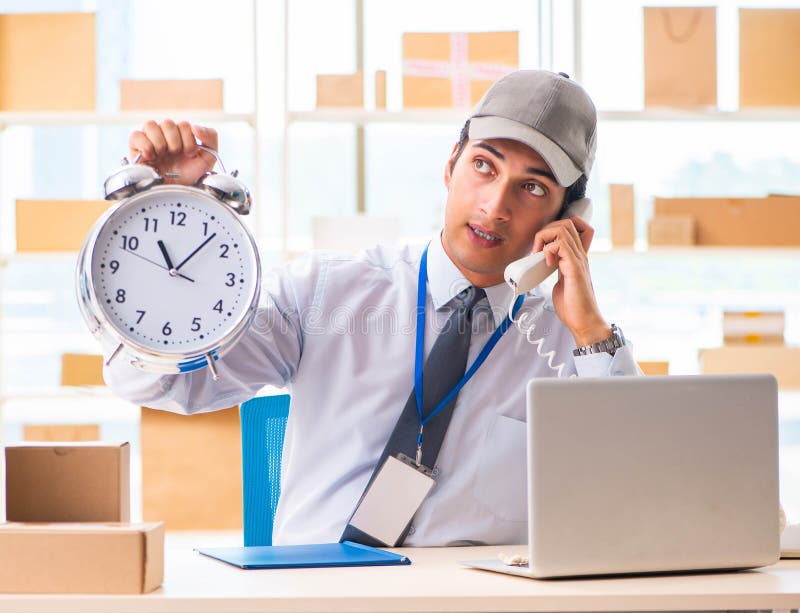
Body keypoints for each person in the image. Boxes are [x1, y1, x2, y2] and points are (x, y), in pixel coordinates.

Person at [106, 69, 641, 547]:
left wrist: (589, 327)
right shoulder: (325, 292)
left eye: (531, 187)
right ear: (451, 165)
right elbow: (157, 385)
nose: (494, 205)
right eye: (483, 165)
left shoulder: (567, 346)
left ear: (568, 216)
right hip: (319, 599)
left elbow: (636, 494)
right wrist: (170, 215)